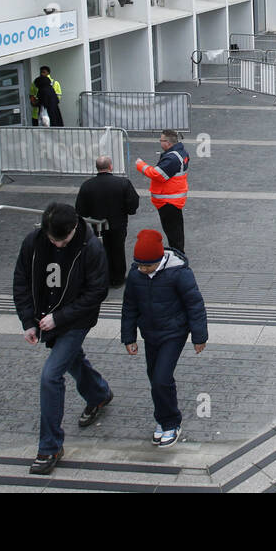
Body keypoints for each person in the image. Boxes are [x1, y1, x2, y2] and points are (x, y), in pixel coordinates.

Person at [12, 202, 111, 475]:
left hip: (75, 321)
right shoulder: (34, 242)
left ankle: (50, 446)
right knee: (71, 360)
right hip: (46, 318)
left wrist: (60, 318)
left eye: (62, 239)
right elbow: (21, 280)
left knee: (50, 376)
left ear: (74, 228)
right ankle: (99, 393)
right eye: (52, 239)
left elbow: (96, 292)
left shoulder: (91, 248)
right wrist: (27, 320)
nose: (56, 244)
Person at [121, 229, 208, 448]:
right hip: (150, 333)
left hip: (174, 333)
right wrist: (129, 337)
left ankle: (171, 423)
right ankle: (163, 419)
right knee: (154, 377)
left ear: (158, 260)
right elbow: (129, 307)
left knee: (161, 378)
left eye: (147, 266)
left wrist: (199, 336)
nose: (142, 269)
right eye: (139, 265)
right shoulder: (135, 275)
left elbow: (195, 304)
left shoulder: (179, 273)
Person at [75, 156, 141, 287]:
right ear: (111, 166)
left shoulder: (87, 185)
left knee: (102, 248)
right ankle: (118, 278)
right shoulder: (123, 183)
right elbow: (132, 203)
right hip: (118, 223)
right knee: (118, 249)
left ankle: (104, 276)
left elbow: (80, 209)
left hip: (97, 224)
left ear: (97, 167)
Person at [134, 130, 190, 254]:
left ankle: (178, 256)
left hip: (168, 201)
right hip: (173, 199)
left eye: (161, 140)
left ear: (168, 143)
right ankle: (178, 254)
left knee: (174, 233)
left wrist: (140, 165)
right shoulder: (180, 153)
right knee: (176, 231)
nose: (160, 142)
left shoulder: (172, 158)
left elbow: (157, 174)